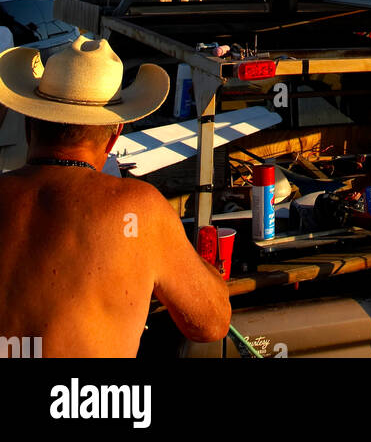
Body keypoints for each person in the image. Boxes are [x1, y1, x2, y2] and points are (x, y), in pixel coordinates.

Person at [0, 35, 232, 358]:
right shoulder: (140, 211)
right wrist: (208, 271)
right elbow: (212, 322)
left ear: (29, 123)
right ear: (113, 139)